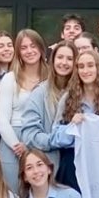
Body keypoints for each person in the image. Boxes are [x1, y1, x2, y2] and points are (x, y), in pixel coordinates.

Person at [49, 49, 99, 189]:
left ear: (98, 68)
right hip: (73, 166)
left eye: (90, 65)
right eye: (81, 67)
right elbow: (54, 138)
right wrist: (71, 127)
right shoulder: (68, 98)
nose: (85, 70)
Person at [0, 29, 47, 191]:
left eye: (33, 46)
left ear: (41, 48)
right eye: (24, 48)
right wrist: (17, 146)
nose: (29, 51)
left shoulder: (51, 77)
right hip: (13, 143)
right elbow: (2, 120)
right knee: (13, 194)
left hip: (42, 140)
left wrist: (36, 144)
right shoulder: (10, 78)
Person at [20, 42, 76, 172]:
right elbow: (29, 134)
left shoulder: (81, 92)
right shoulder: (39, 92)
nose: (64, 62)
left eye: (69, 59)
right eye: (60, 57)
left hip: (75, 165)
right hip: (48, 164)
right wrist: (55, 140)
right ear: (53, 60)